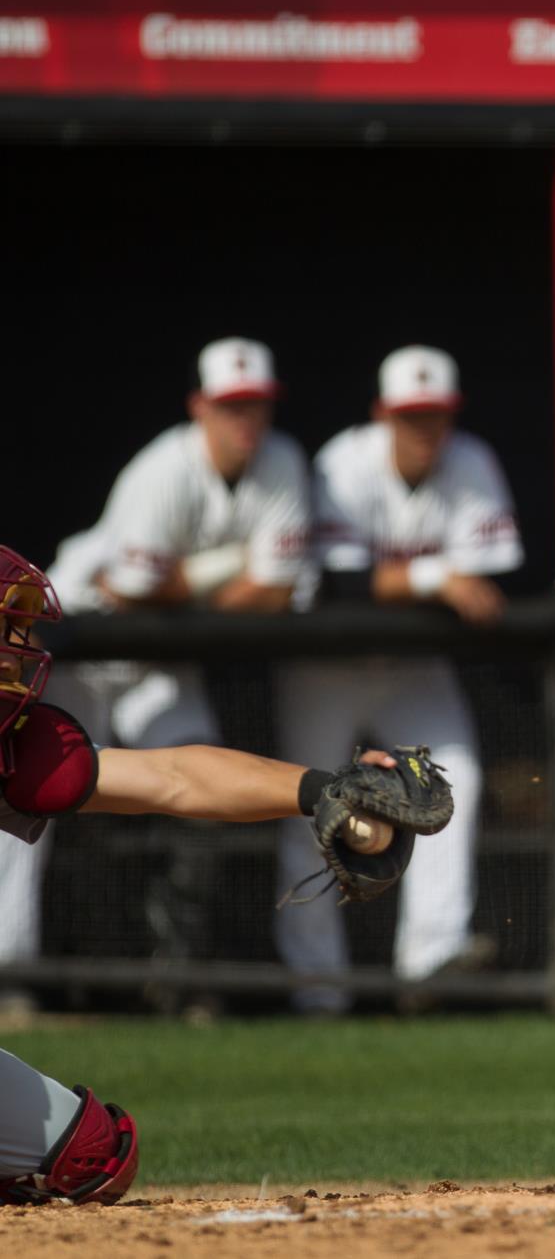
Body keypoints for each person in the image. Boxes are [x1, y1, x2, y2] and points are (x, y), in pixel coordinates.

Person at [0, 544, 413, 1204]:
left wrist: (322, 789)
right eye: (5, 631)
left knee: (93, 1153)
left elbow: (173, 777)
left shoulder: (13, 745)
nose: (17, 650)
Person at [0, 338, 309, 1011]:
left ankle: (180, 975)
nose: (244, 419)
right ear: (200, 406)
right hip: (79, 641)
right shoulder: (162, 470)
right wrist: (231, 569)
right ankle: (11, 977)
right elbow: (131, 588)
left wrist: (189, 583)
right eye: (230, 405)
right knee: (22, 797)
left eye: (255, 404)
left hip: (158, 658)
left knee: (199, 788)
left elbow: (278, 592)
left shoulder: (282, 462)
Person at [274, 346, 522, 1010]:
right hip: (327, 669)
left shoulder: (470, 463)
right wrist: (434, 576)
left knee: (454, 780)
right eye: (412, 415)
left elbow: (493, 580)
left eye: (436, 414)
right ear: (384, 413)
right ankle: (315, 986)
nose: (425, 429)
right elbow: (335, 583)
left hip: (410, 667)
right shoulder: (342, 464)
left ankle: (431, 961)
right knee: (303, 802)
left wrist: (427, 583)